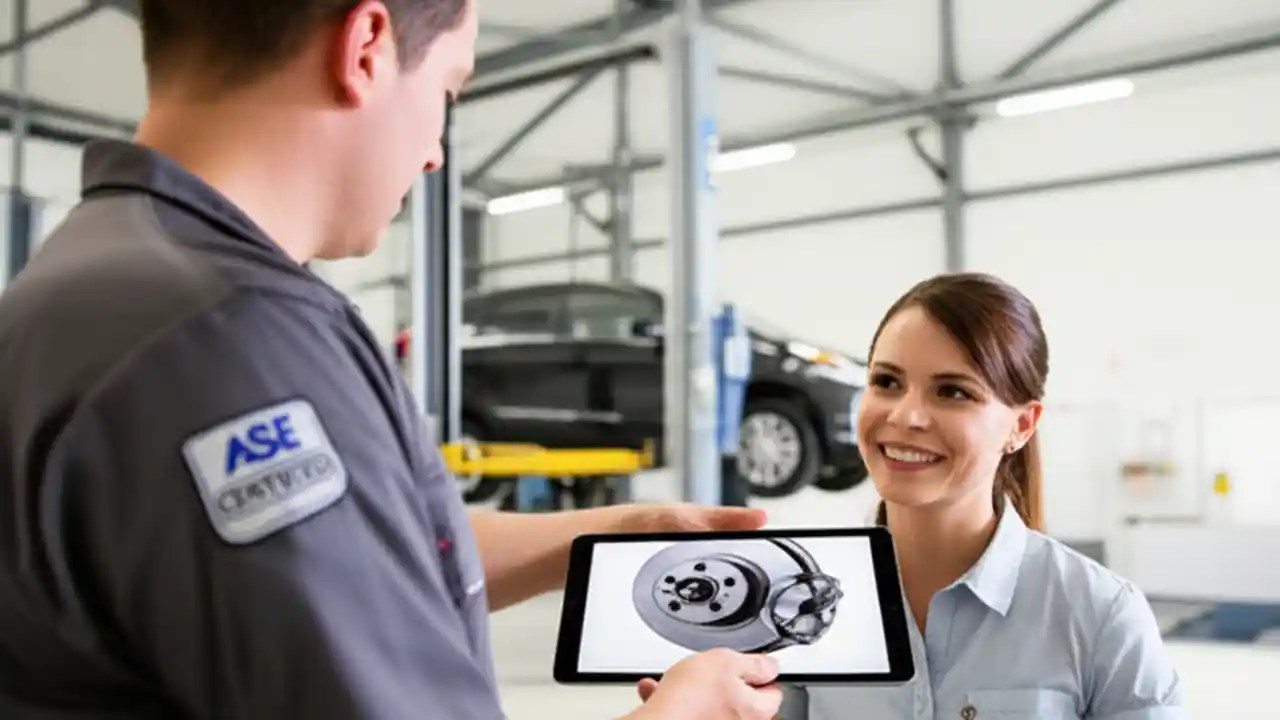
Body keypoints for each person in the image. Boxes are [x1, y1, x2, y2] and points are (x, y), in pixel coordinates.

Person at [0, 1, 783, 719]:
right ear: (367, 46)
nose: (437, 151)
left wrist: (617, 533)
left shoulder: (98, 282)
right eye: (448, 89)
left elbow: (349, 555)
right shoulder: (232, 345)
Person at [806, 273, 1185, 719]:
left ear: (1021, 426)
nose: (906, 415)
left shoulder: (1100, 616)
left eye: (952, 392)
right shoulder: (801, 603)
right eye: (887, 382)